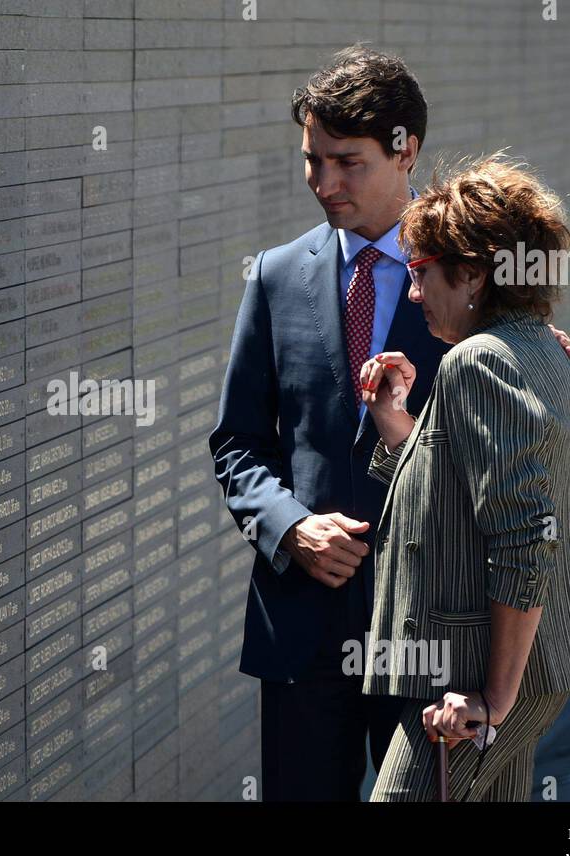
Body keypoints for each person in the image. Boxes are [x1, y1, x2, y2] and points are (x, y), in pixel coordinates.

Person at [208, 46, 448, 801]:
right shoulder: (277, 276)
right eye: (312, 160)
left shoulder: (468, 276)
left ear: (405, 150)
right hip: (304, 626)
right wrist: (288, 527)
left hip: (432, 626)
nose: (325, 183)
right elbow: (237, 442)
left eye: (348, 162)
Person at [356, 154, 570, 801]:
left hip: (469, 688)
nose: (413, 294)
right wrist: (395, 422)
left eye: (419, 272)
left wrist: (493, 700)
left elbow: (527, 532)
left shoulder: (477, 362)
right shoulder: (542, 346)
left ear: (470, 274)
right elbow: (468, 489)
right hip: (510, 673)